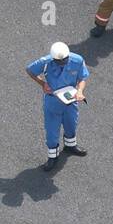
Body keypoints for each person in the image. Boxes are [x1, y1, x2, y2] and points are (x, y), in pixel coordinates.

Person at [26, 42, 89, 172]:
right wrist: (42, 83)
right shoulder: (45, 62)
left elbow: (83, 77)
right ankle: (52, 156)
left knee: (71, 123)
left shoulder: (77, 60)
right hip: (53, 101)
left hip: (70, 100)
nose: (62, 63)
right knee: (52, 130)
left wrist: (80, 91)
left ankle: (70, 146)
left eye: (65, 60)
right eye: (59, 61)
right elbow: (30, 70)